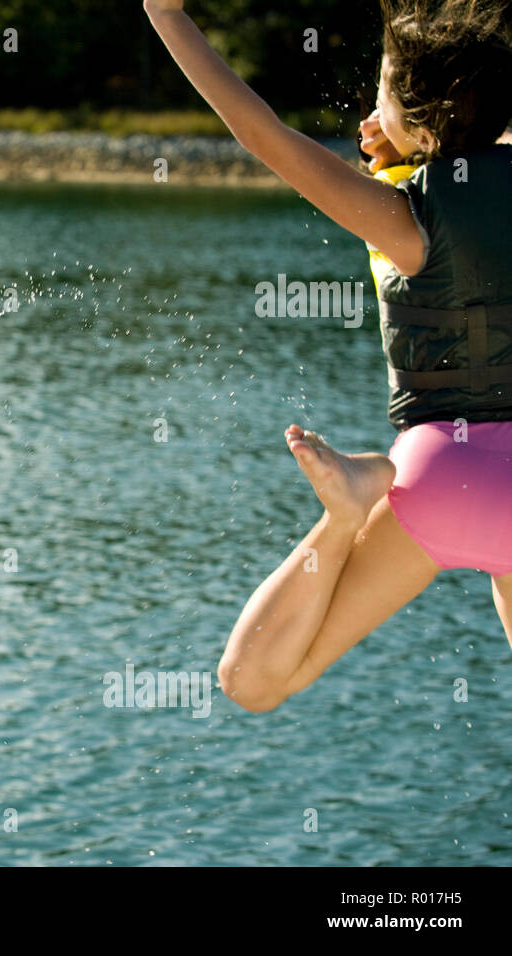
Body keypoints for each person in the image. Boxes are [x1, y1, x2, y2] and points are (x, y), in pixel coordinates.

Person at [144, 0, 512, 711]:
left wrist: (166, 16)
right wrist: (417, 140)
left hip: (435, 474)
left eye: (381, 96)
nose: (368, 116)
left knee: (254, 682)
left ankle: (345, 508)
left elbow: (260, 133)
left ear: (426, 119)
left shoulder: (404, 216)